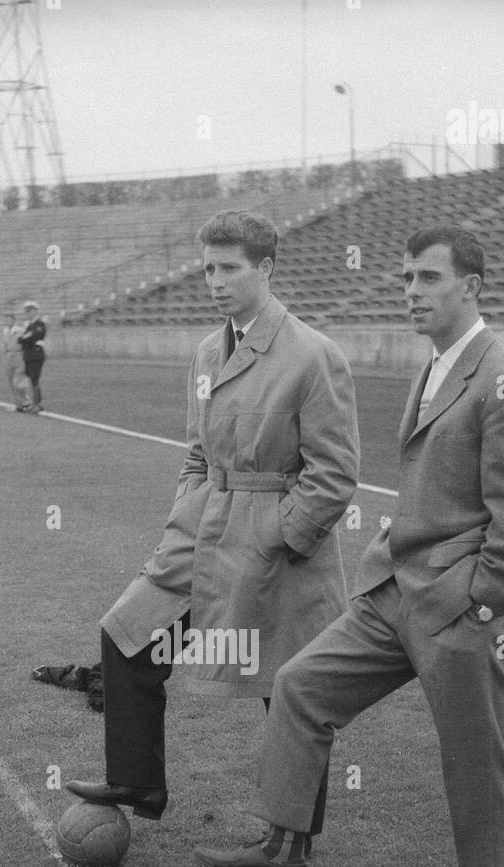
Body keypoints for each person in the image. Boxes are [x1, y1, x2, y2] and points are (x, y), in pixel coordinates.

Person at [195, 225, 504, 867]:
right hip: (395, 589)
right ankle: (284, 847)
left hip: (460, 610)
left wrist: (475, 606)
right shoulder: (435, 366)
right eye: (405, 279)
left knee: (473, 763)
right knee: (298, 686)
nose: (412, 293)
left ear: (470, 288)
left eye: (427, 279)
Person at [64, 209, 360, 835]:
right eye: (207, 269)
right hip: (203, 529)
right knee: (128, 633)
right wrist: (184, 516)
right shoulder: (205, 352)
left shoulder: (313, 355)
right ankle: (136, 780)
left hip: (273, 542)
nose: (215, 281)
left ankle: (293, 826)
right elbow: (197, 451)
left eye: (229, 268)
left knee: (286, 686)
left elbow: (333, 475)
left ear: (266, 269)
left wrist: (278, 536)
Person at [17, 300, 47, 413]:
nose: (27, 313)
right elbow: (22, 339)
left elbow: (35, 337)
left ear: (35, 311)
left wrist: (25, 339)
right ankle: (35, 403)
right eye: (26, 311)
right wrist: (25, 339)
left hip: (36, 354)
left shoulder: (40, 324)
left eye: (29, 311)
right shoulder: (30, 326)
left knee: (34, 379)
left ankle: (37, 404)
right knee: (32, 379)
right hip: (29, 355)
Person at [2, 312, 32, 411]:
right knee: (10, 381)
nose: (6, 321)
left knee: (18, 381)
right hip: (8, 355)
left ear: (13, 320)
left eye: (8, 319)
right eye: (5, 319)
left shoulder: (20, 330)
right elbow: (5, 345)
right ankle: (18, 404)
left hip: (18, 354)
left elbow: (26, 342)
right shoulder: (5, 331)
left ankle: (26, 401)